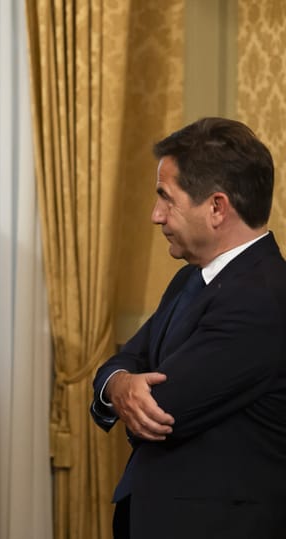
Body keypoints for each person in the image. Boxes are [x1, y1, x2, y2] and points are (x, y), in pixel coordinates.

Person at [90, 117, 286, 538]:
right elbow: (124, 361)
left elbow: (161, 411)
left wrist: (124, 384)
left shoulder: (261, 297)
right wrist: (119, 383)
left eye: (166, 198)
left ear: (217, 207)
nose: (155, 215)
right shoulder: (190, 278)